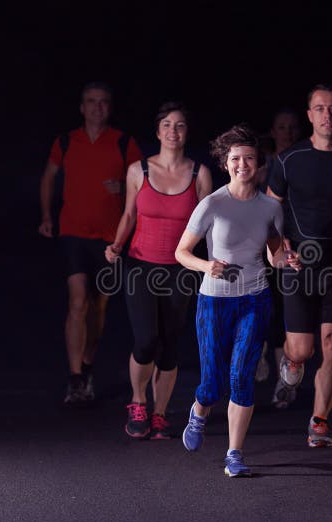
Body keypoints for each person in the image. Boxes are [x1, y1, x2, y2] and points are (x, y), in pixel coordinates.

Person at [175, 124, 299, 477]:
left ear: (259, 164)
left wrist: (287, 260)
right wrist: (206, 265)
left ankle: (234, 454)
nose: (242, 164)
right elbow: (181, 252)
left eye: (248, 158)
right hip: (214, 302)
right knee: (212, 382)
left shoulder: (270, 208)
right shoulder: (212, 204)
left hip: (255, 299)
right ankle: (199, 412)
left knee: (242, 377)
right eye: (235, 159)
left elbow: (275, 255)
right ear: (225, 164)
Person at [104, 102, 212, 439]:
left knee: (169, 344)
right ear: (157, 131)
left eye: (180, 126)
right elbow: (128, 216)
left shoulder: (200, 174)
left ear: (186, 132)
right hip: (140, 265)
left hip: (181, 268)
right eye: (167, 125)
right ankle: (138, 402)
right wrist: (116, 245)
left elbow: (210, 224)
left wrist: (216, 261)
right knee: (145, 339)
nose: (173, 132)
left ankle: (160, 412)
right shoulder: (139, 170)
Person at [38, 82, 143, 406]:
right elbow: (48, 177)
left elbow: (140, 183)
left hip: (111, 240)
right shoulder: (67, 141)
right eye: (91, 102)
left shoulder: (124, 143)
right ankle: (75, 378)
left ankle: (87, 365)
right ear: (82, 107)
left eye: (103, 102)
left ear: (109, 108)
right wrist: (47, 216)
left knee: (99, 309)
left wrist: (123, 190)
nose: (97, 107)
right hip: (73, 234)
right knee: (77, 302)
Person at [266, 84, 332, 446]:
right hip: (299, 266)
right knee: (302, 349)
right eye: (320, 109)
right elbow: (271, 208)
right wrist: (278, 243)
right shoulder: (289, 159)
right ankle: (291, 363)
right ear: (309, 115)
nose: (327, 115)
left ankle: (319, 420)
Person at [255, 107, 302, 387]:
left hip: (295, 242)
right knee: (264, 304)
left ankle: (284, 378)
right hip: (263, 244)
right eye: (282, 127)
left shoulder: (303, 160)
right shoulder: (263, 163)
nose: (288, 132)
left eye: (292, 127)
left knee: (287, 308)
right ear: (273, 133)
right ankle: (259, 350)